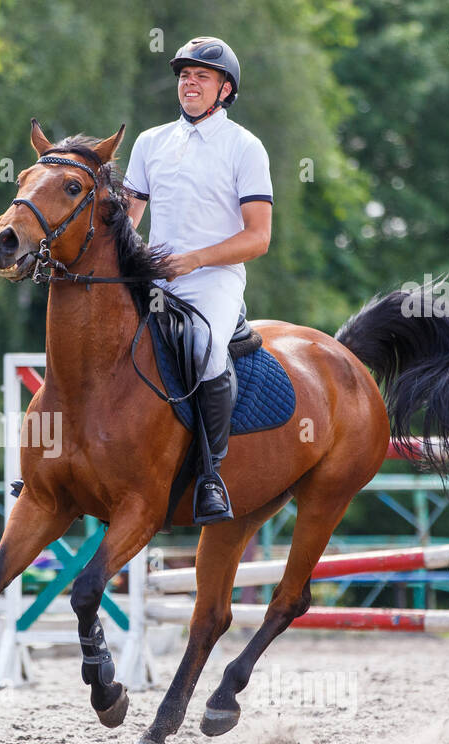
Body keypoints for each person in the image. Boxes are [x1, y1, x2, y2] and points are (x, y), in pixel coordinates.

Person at [123, 35, 273, 524]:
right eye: (184, 74)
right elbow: (127, 219)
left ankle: (211, 474)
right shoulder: (150, 142)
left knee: (206, 349)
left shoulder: (245, 147)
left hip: (214, 280)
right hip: (156, 275)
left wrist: (194, 260)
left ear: (225, 90)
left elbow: (258, 238)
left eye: (201, 76)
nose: (189, 82)